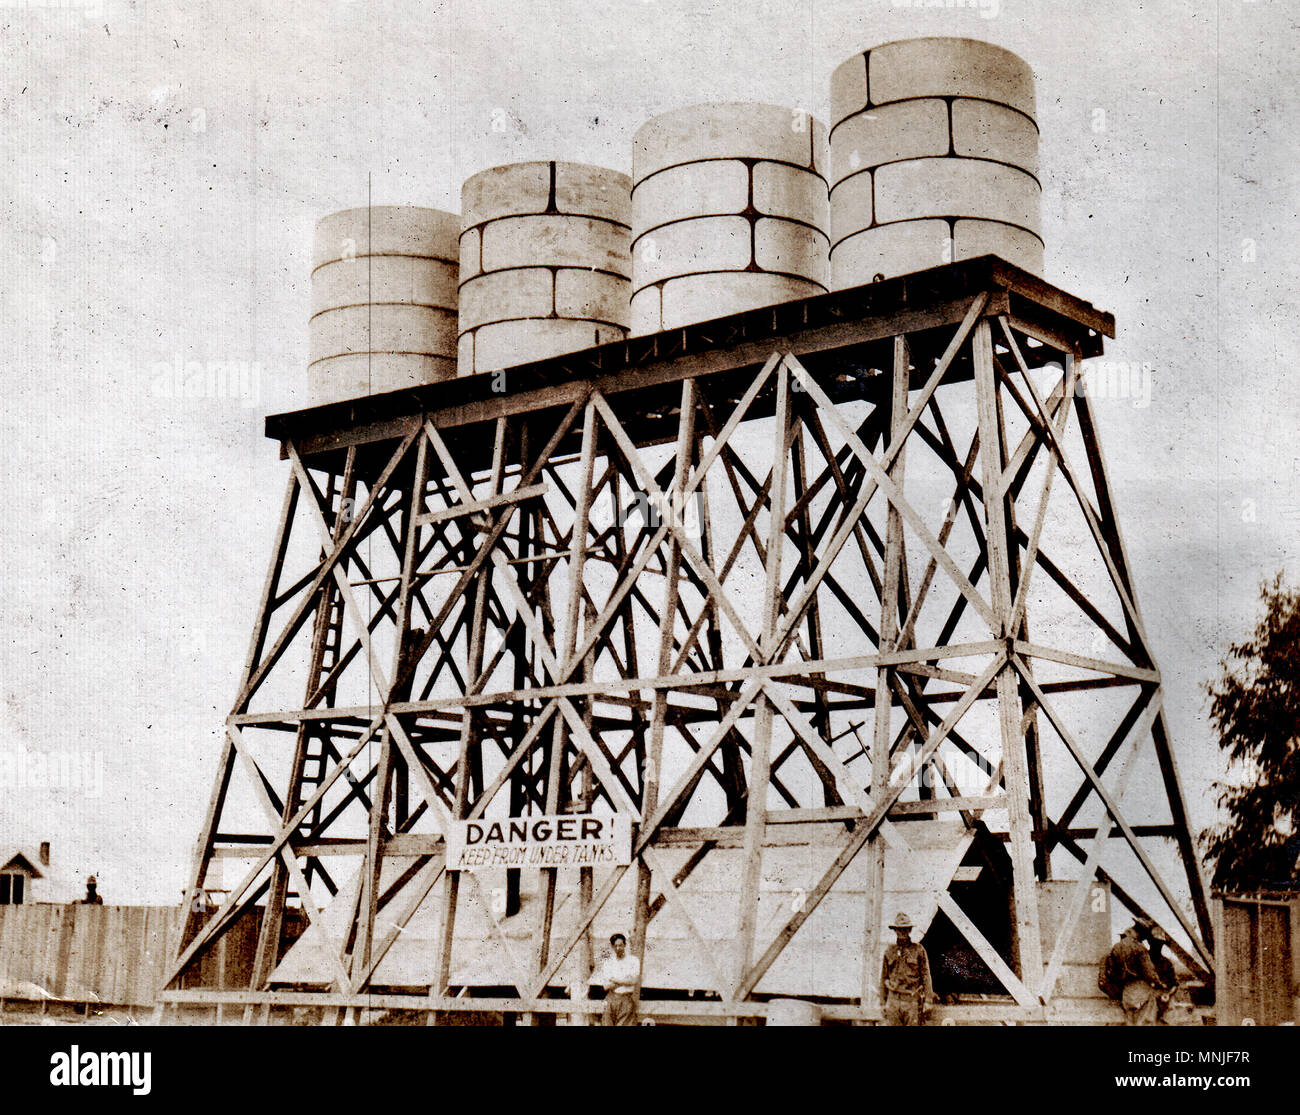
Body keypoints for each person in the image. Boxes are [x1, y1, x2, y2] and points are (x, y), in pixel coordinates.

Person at [1100, 923, 1166, 1025]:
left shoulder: (1116, 948)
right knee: (1145, 1021)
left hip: (1126, 991)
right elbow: (1149, 973)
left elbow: (1111, 972)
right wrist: (1159, 983)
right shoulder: (1139, 949)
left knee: (1130, 1022)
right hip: (1141, 991)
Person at [880, 912, 933, 1026]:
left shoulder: (918, 950)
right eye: (899, 929)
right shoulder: (889, 951)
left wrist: (928, 1001)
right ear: (895, 931)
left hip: (911, 1001)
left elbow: (926, 976)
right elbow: (884, 977)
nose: (902, 932)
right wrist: (882, 1003)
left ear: (910, 930)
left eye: (905, 929)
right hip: (893, 1001)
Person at [597, 932, 640, 1026]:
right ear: (612, 947)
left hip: (626, 999)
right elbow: (606, 986)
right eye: (615, 946)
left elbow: (634, 981)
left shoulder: (633, 961)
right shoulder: (608, 963)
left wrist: (615, 980)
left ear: (625, 945)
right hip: (610, 999)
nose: (618, 948)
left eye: (620, 945)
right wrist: (625, 980)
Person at [1144, 924, 1178, 1023]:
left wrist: (1168, 994)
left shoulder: (1166, 963)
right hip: (1147, 999)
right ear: (1150, 943)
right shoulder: (1143, 959)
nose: (1158, 946)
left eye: (1160, 944)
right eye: (1155, 943)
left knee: (1170, 1018)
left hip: (1164, 998)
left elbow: (1175, 983)